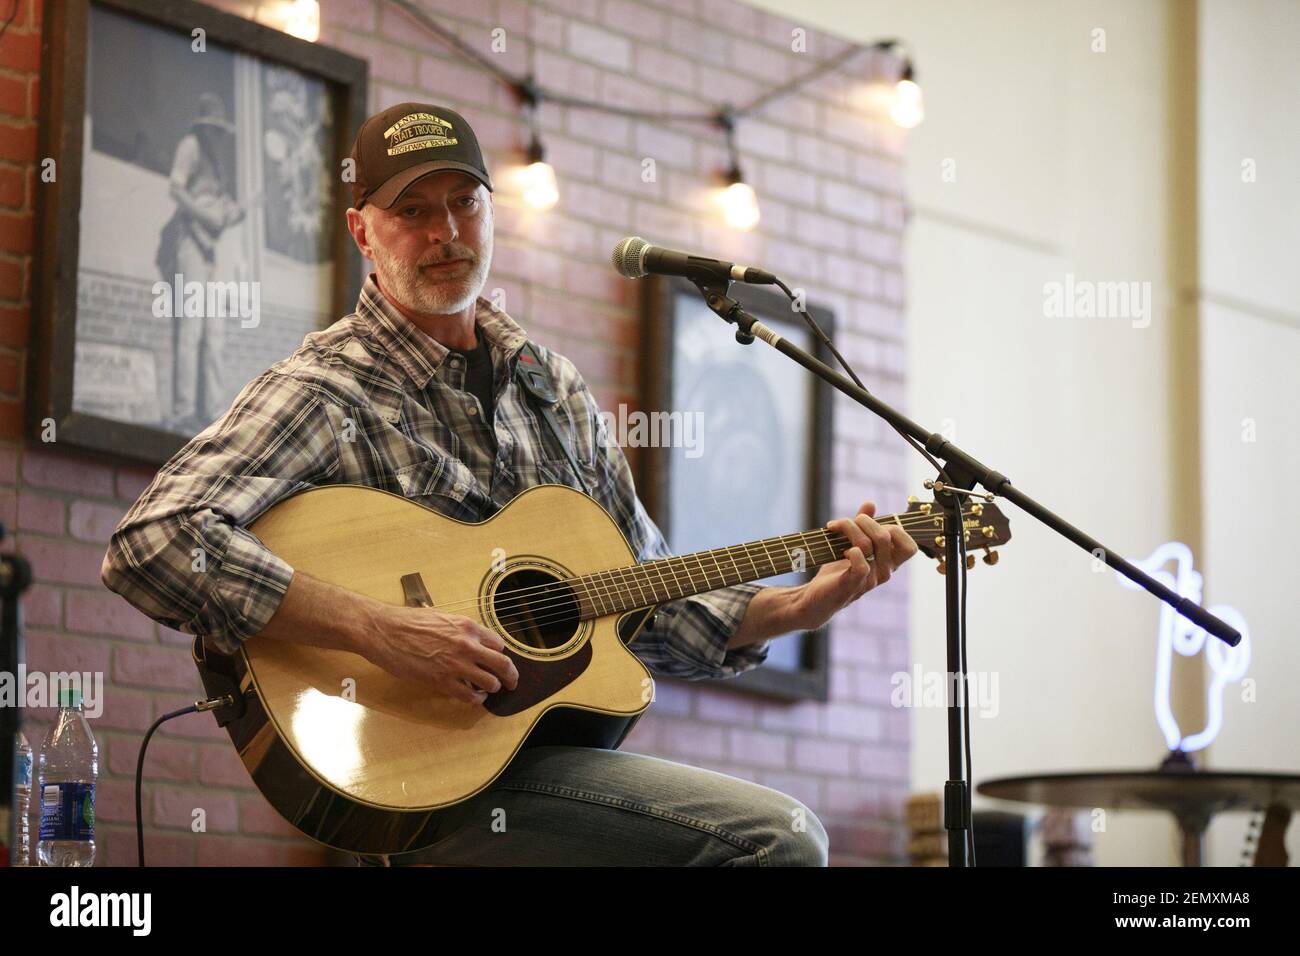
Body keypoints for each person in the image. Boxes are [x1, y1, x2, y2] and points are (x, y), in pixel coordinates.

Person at [103, 103, 918, 866]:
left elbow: (643, 598)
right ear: (362, 231)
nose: (445, 231)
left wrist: (796, 604)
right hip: (415, 777)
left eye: (464, 202)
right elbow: (153, 540)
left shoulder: (551, 387)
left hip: (536, 765)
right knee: (775, 839)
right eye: (412, 211)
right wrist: (378, 629)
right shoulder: (326, 389)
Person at [155, 92, 245, 433]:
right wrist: (204, 219)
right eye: (214, 129)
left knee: (214, 332)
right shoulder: (190, 146)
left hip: (211, 250)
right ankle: (183, 411)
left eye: (220, 130)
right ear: (204, 126)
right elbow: (175, 190)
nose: (218, 135)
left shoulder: (216, 160)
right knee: (191, 329)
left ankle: (214, 412)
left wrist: (232, 212)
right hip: (189, 244)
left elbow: (221, 206)